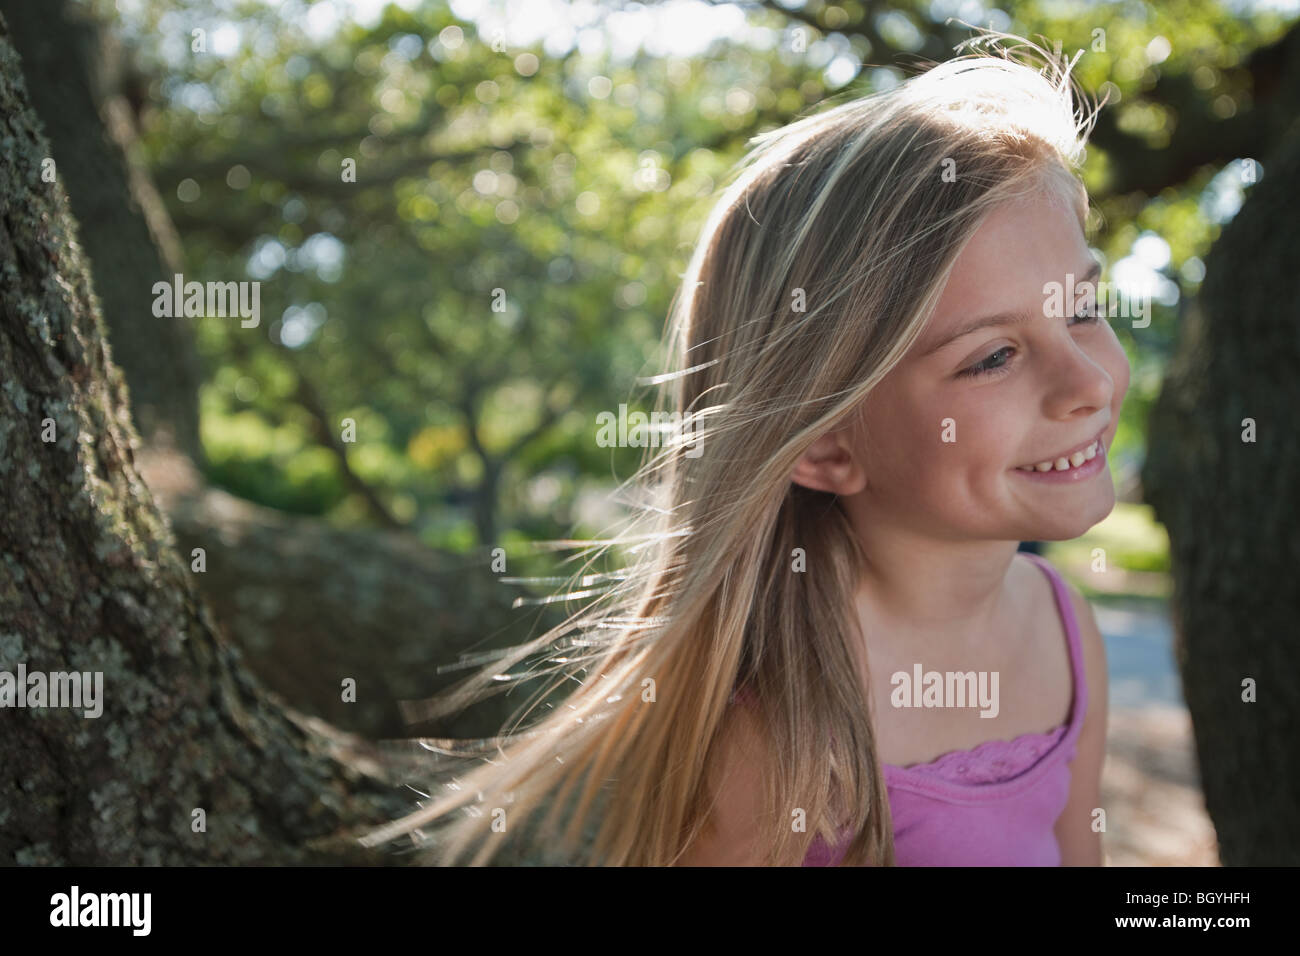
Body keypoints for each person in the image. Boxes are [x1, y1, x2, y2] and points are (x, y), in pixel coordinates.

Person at [361, 31, 1127, 866]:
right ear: (829, 446)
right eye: (993, 357)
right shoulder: (776, 732)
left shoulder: (1064, 625)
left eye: (1081, 307)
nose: (1086, 379)